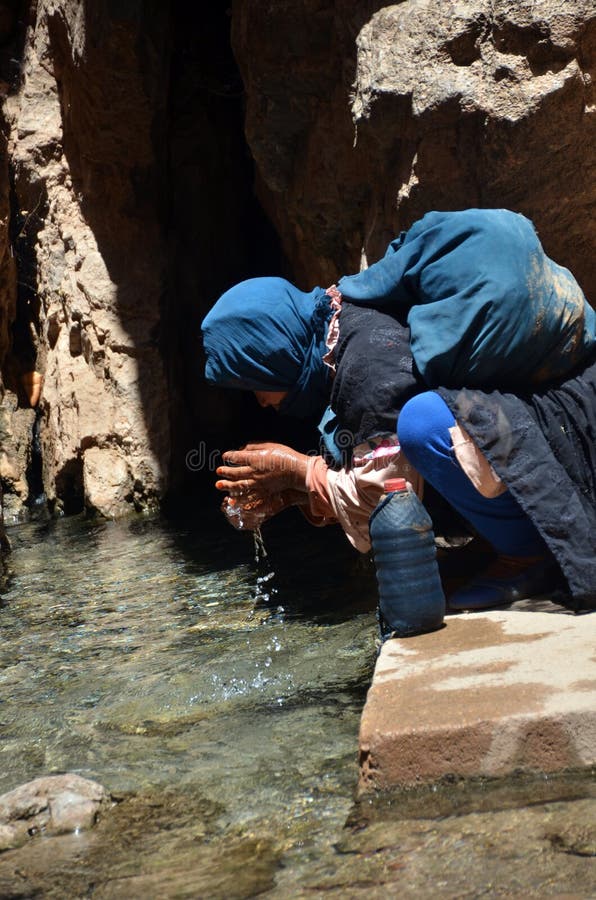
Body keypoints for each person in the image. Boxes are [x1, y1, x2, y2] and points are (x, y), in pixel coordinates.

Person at [201, 209, 596, 612]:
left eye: (255, 383)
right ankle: (498, 538)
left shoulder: (364, 363)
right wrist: (294, 494)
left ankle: (530, 554)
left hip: (558, 425)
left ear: (274, 354)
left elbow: (390, 495)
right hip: (544, 413)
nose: (260, 401)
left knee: (423, 424)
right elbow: (374, 466)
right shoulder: (339, 332)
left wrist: (299, 471)